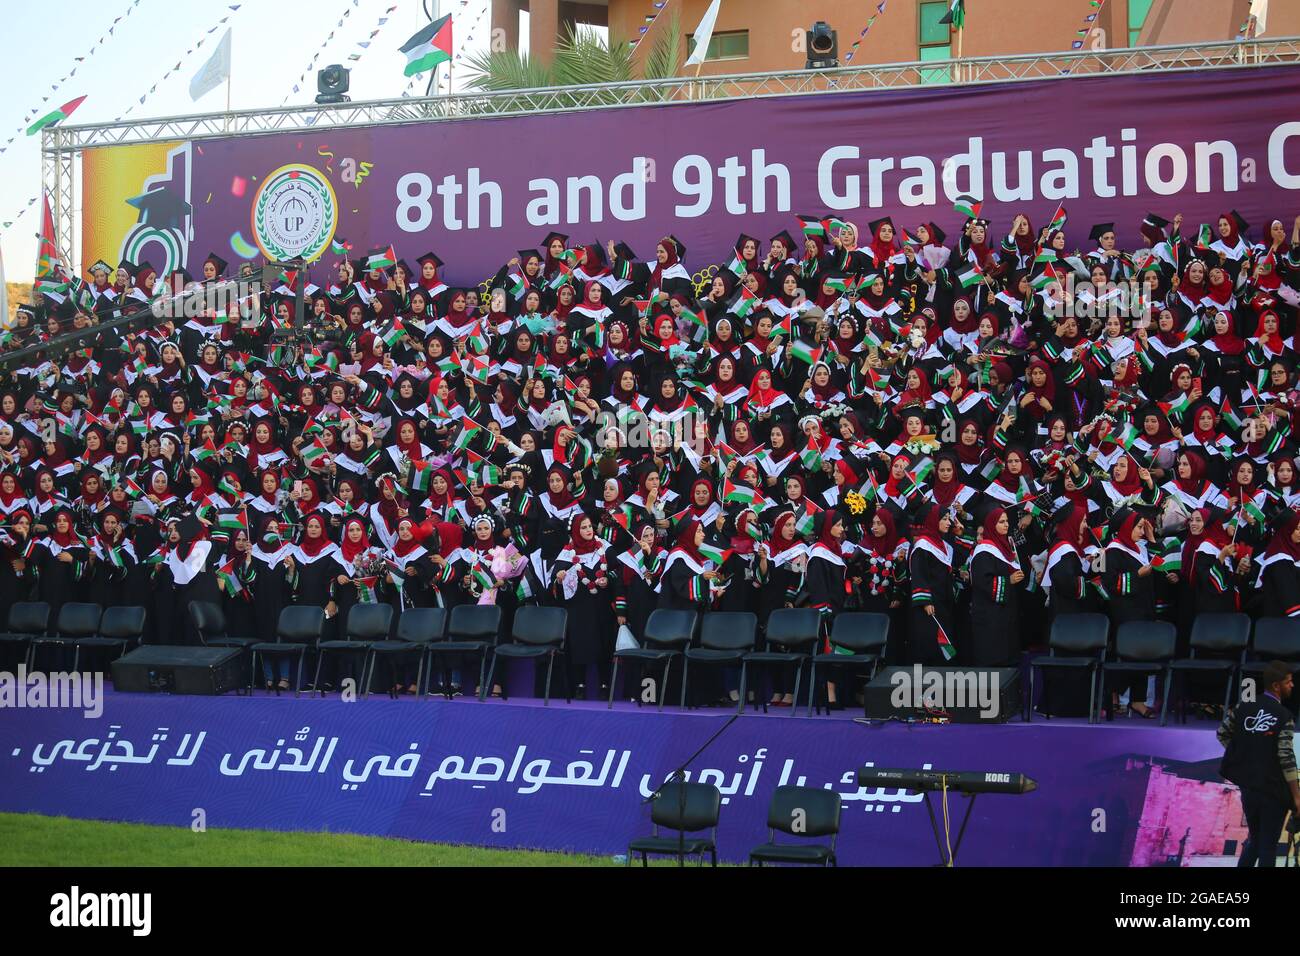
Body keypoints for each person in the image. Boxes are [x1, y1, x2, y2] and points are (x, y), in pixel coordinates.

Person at [1218, 662, 1300, 868]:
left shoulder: (1243, 706)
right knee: (1268, 846)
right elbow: (1286, 758)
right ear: (1276, 686)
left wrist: (1246, 754)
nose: (1292, 686)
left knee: (1255, 841)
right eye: (1288, 682)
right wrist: (1297, 797)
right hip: (1273, 789)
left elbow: (1222, 733)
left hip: (1249, 787)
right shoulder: (1284, 716)